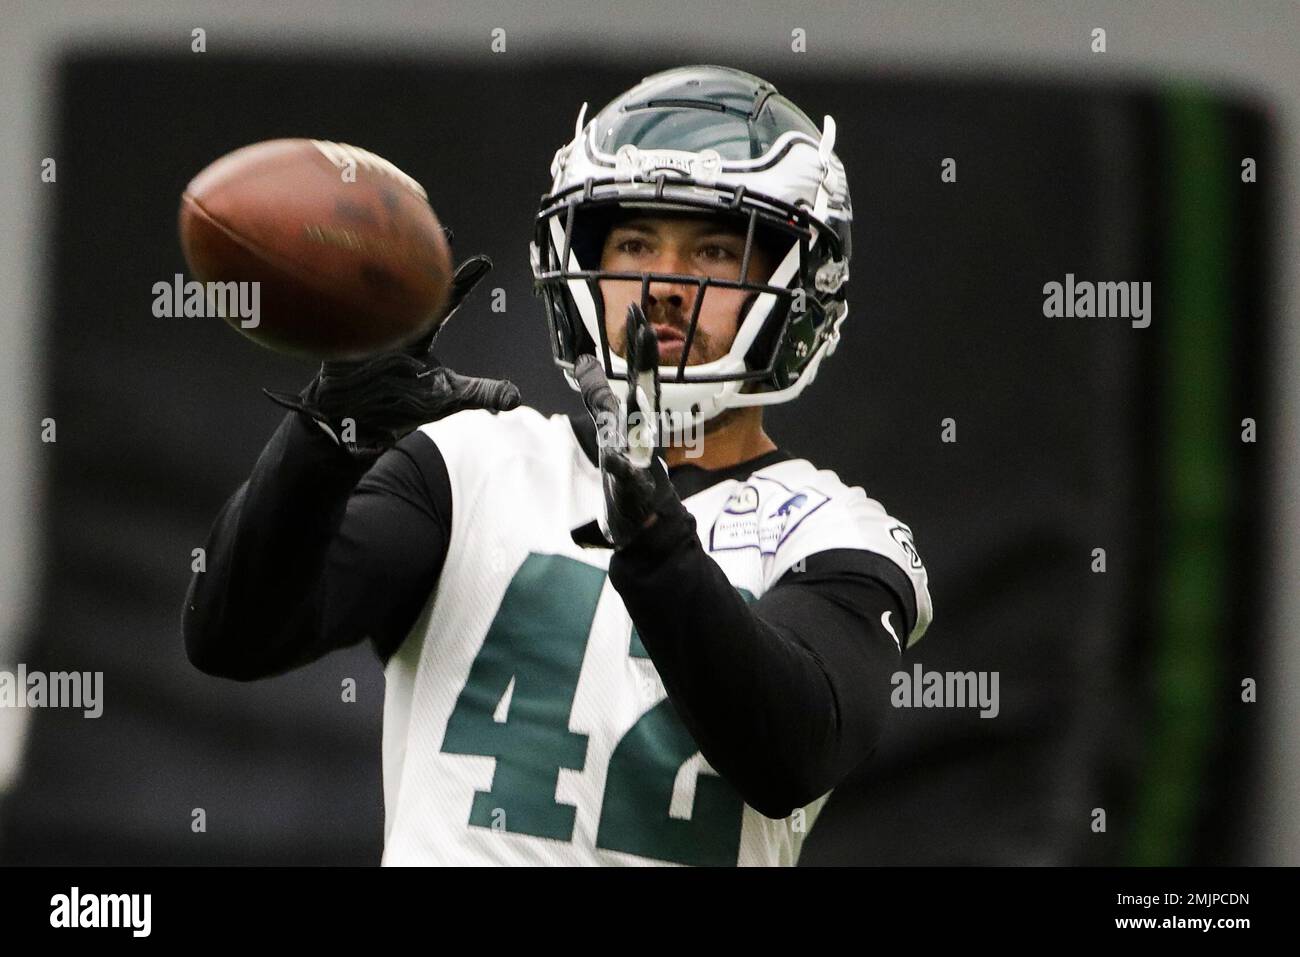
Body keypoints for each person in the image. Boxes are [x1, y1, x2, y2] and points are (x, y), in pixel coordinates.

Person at [183, 64, 932, 866]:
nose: (663, 286)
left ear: (798, 286)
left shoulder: (838, 534)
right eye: (635, 243)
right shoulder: (474, 462)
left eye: (714, 250)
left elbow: (789, 752)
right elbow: (236, 635)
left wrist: (658, 542)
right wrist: (325, 438)